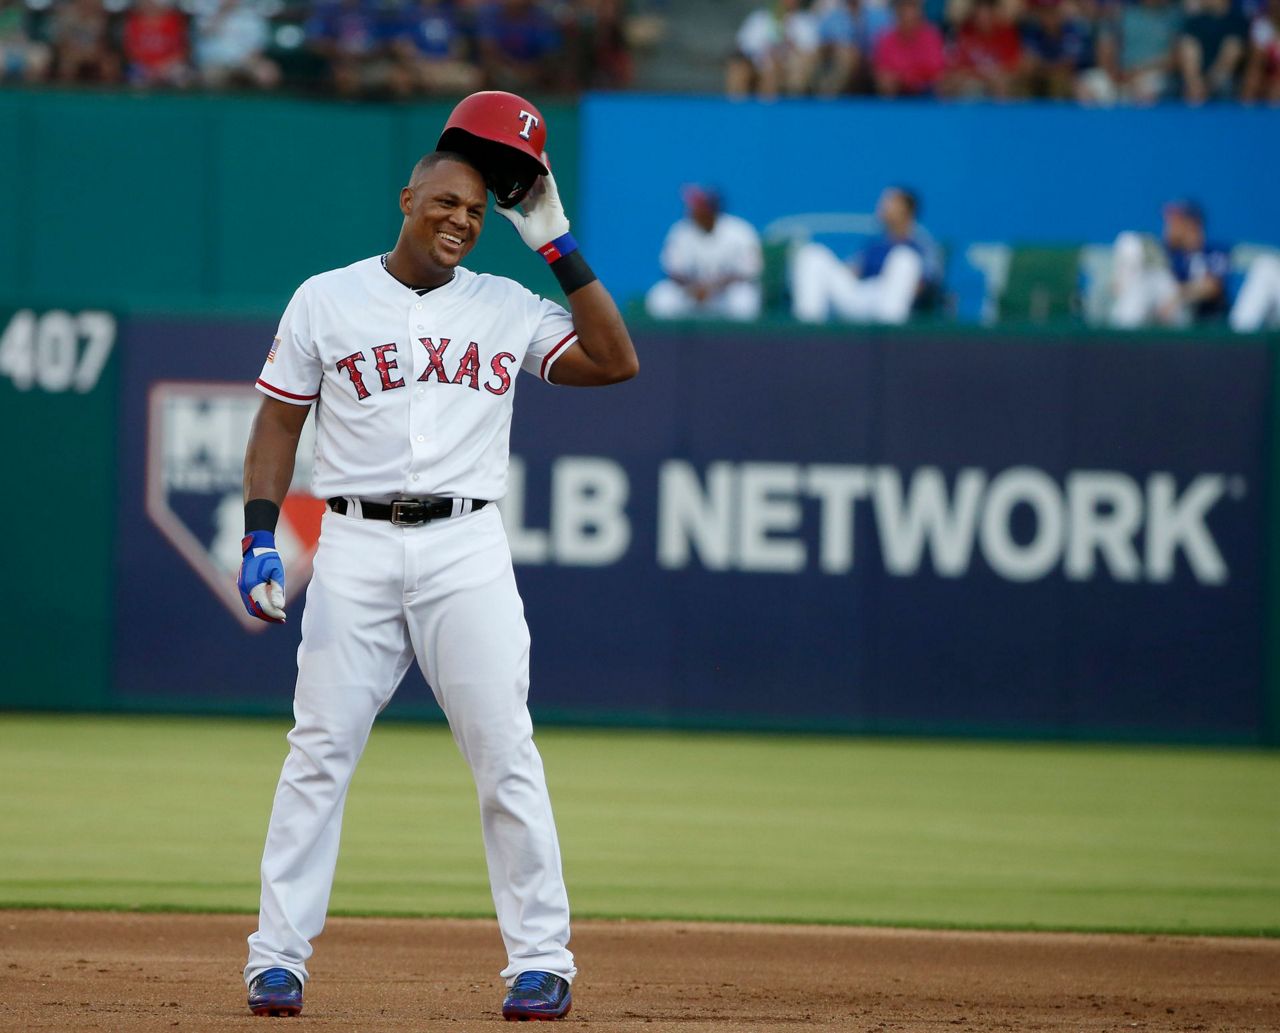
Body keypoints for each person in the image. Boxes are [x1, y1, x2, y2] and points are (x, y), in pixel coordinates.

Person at [237, 92, 637, 1022]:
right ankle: (277, 957)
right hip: (355, 545)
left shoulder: (507, 304)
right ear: (407, 197)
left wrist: (555, 242)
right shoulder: (327, 297)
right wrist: (260, 532)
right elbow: (276, 422)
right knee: (319, 750)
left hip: (466, 548)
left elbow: (615, 361)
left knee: (505, 752)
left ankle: (543, 960)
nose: (461, 219)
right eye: (445, 202)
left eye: (475, 210)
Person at [791, 185, 938, 324]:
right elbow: (854, 270)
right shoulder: (876, 243)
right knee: (813, 255)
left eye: (890, 203)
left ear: (907, 210)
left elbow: (926, 284)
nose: (883, 207)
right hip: (864, 296)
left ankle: (890, 341)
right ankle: (808, 335)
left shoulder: (921, 245)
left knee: (904, 259)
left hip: (891, 303)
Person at [645, 185, 763, 322]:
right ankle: (667, 342)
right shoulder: (681, 231)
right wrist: (695, 288)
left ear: (710, 209)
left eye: (697, 206)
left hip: (724, 295)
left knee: (743, 301)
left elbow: (748, 273)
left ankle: (740, 341)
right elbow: (673, 272)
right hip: (691, 293)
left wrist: (712, 288)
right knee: (661, 299)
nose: (691, 210)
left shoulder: (740, 231)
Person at [1109, 199, 1230, 328]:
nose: (1168, 225)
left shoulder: (1213, 251)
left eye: (1175, 221)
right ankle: (1122, 327)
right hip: (1163, 313)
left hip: (1199, 319)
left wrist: (1177, 296)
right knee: (1130, 243)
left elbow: (1212, 287)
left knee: (1153, 275)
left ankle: (1122, 329)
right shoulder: (1170, 253)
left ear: (1191, 224)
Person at [1084, 0, 1182, 103]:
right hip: (1122, 75)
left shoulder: (1174, 17)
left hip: (1153, 74)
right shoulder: (1125, 14)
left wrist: (1137, 72)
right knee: (1088, 86)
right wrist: (1114, 74)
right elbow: (1107, 44)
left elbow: (1174, 59)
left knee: (1145, 90)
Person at [726, 0, 822, 98]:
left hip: (788, 66)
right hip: (758, 63)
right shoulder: (759, 18)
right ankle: (737, 109)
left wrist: (788, 48)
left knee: (774, 71)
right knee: (738, 68)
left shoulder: (805, 21)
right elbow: (744, 46)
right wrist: (764, 55)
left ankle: (779, 107)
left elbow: (810, 50)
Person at [386, 0, 481, 95]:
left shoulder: (448, 12)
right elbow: (402, 45)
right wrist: (420, 64)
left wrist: (448, 61)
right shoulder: (408, 13)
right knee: (401, 79)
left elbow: (458, 43)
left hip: (447, 64)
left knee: (474, 75)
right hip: (418, 65)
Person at [943, 0, 1022, 97]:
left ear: (995, 13)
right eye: (980, 13)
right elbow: (958, 68)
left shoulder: (1007, 33)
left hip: (999, 83)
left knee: (1004, 83)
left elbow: (1013, 66)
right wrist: (983, 75)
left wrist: (993, 76)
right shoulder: (964, 32)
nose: (983, 18)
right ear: (973, 13)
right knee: (969, 86)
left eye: (988, 13)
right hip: (972, 83)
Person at [194, 0, 280, 90]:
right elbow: (206, 33)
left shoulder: (251, 12)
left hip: (246, 61)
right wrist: (223, 11)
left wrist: (246, 61)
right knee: (211, 75)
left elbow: (258, 46)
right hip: (215, 61)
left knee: (268, 72)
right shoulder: (206, 6)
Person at [1017, 0, 1093, 100]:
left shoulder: (1073, 30)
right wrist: (1048, 68)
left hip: (1075, 76)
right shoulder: (1033, 32)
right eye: (1045, 12)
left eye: (1053, 11)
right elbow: (1030, 62)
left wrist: (1044, 66)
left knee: (1062, 81)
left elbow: (1069, 64)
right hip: (1041, 77)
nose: (1049, 16)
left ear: (1060, 11)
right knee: (1022, 79)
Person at [1177, 0, 1247, 103]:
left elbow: (1238, 52)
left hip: (1224, 78)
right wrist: (1195, 81)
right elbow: (1184, 50)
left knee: (1233, 47)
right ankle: (1196, 90)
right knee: (1188, 46)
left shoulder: (1237, 20)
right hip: (1195, 79)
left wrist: (1210, 82)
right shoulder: (1195, 20)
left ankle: (1202, 91)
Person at [872, 0, 946, 96]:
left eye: (912, 8)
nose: (908, 14)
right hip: (898, 91)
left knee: (944, 83)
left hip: (926, 89)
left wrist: (909, 78)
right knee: (885, 82)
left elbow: (936, 70)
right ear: (897, 13)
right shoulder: (885, 39)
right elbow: (882, 70)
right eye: (904, 9)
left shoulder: (932, 36)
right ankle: (889, 109)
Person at [122, 0, 192, 87]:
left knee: (183, 75)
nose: (150, 7)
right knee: (134, 75)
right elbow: (130, 50)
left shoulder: (174, 21)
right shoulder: (134, 22)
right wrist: (149, 67)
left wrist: (164, 66)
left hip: (169, 65)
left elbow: (183, 49)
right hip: (143, 66)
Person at [0, 0, 51, 82]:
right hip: (3, 46)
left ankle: (32, 93)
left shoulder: (29, 12)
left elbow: (37, 35)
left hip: (26, 46)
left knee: (37, 59)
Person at [1241, 0, 1280, 102]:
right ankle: (1246, 109)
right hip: (1268, 75)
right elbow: (1256, 63)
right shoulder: (1262, 25)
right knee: (1253, 75)